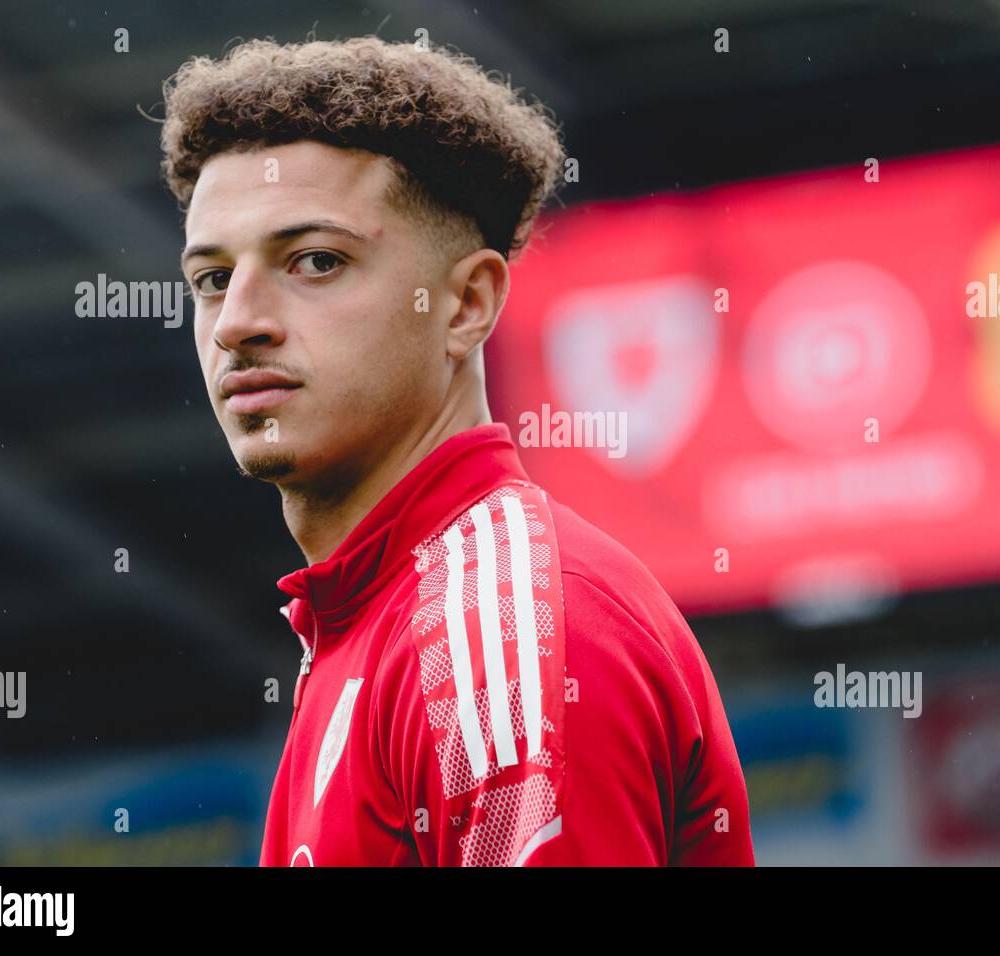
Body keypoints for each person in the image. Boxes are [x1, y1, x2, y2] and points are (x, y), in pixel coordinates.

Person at [159, 35, 754, 866]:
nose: (236, 323)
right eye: (213, 278)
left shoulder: (500, 637)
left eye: (316, 261)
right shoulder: (373, 623)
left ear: (467, 303)